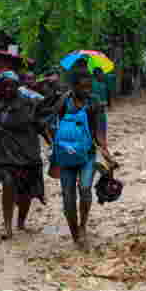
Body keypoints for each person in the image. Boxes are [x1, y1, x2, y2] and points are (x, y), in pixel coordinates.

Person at [51, 68, 117, 249]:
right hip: (65, 155)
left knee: (85, 188)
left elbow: (100, 130)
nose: (87, 90)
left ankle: (82, 226)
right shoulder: (64, 101)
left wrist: (104, 151)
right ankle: (74, 232)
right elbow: (50, 122)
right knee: (68, 197)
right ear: (73, 86)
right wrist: (55, 144)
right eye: (83, 87)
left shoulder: (94, 102)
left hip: (87, 154)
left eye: (89, 86)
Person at [0, 75, 50, 240]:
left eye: (12, 86)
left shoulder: (29, 103)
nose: (8, 89)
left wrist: (52, 143)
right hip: (5, 153)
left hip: (28, 153)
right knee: (8, 184)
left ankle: (21, 222)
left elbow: (40, 125)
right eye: (5, 86)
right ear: (0, 87)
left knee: (26, 192)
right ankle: (7, 227)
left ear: (17, 86)